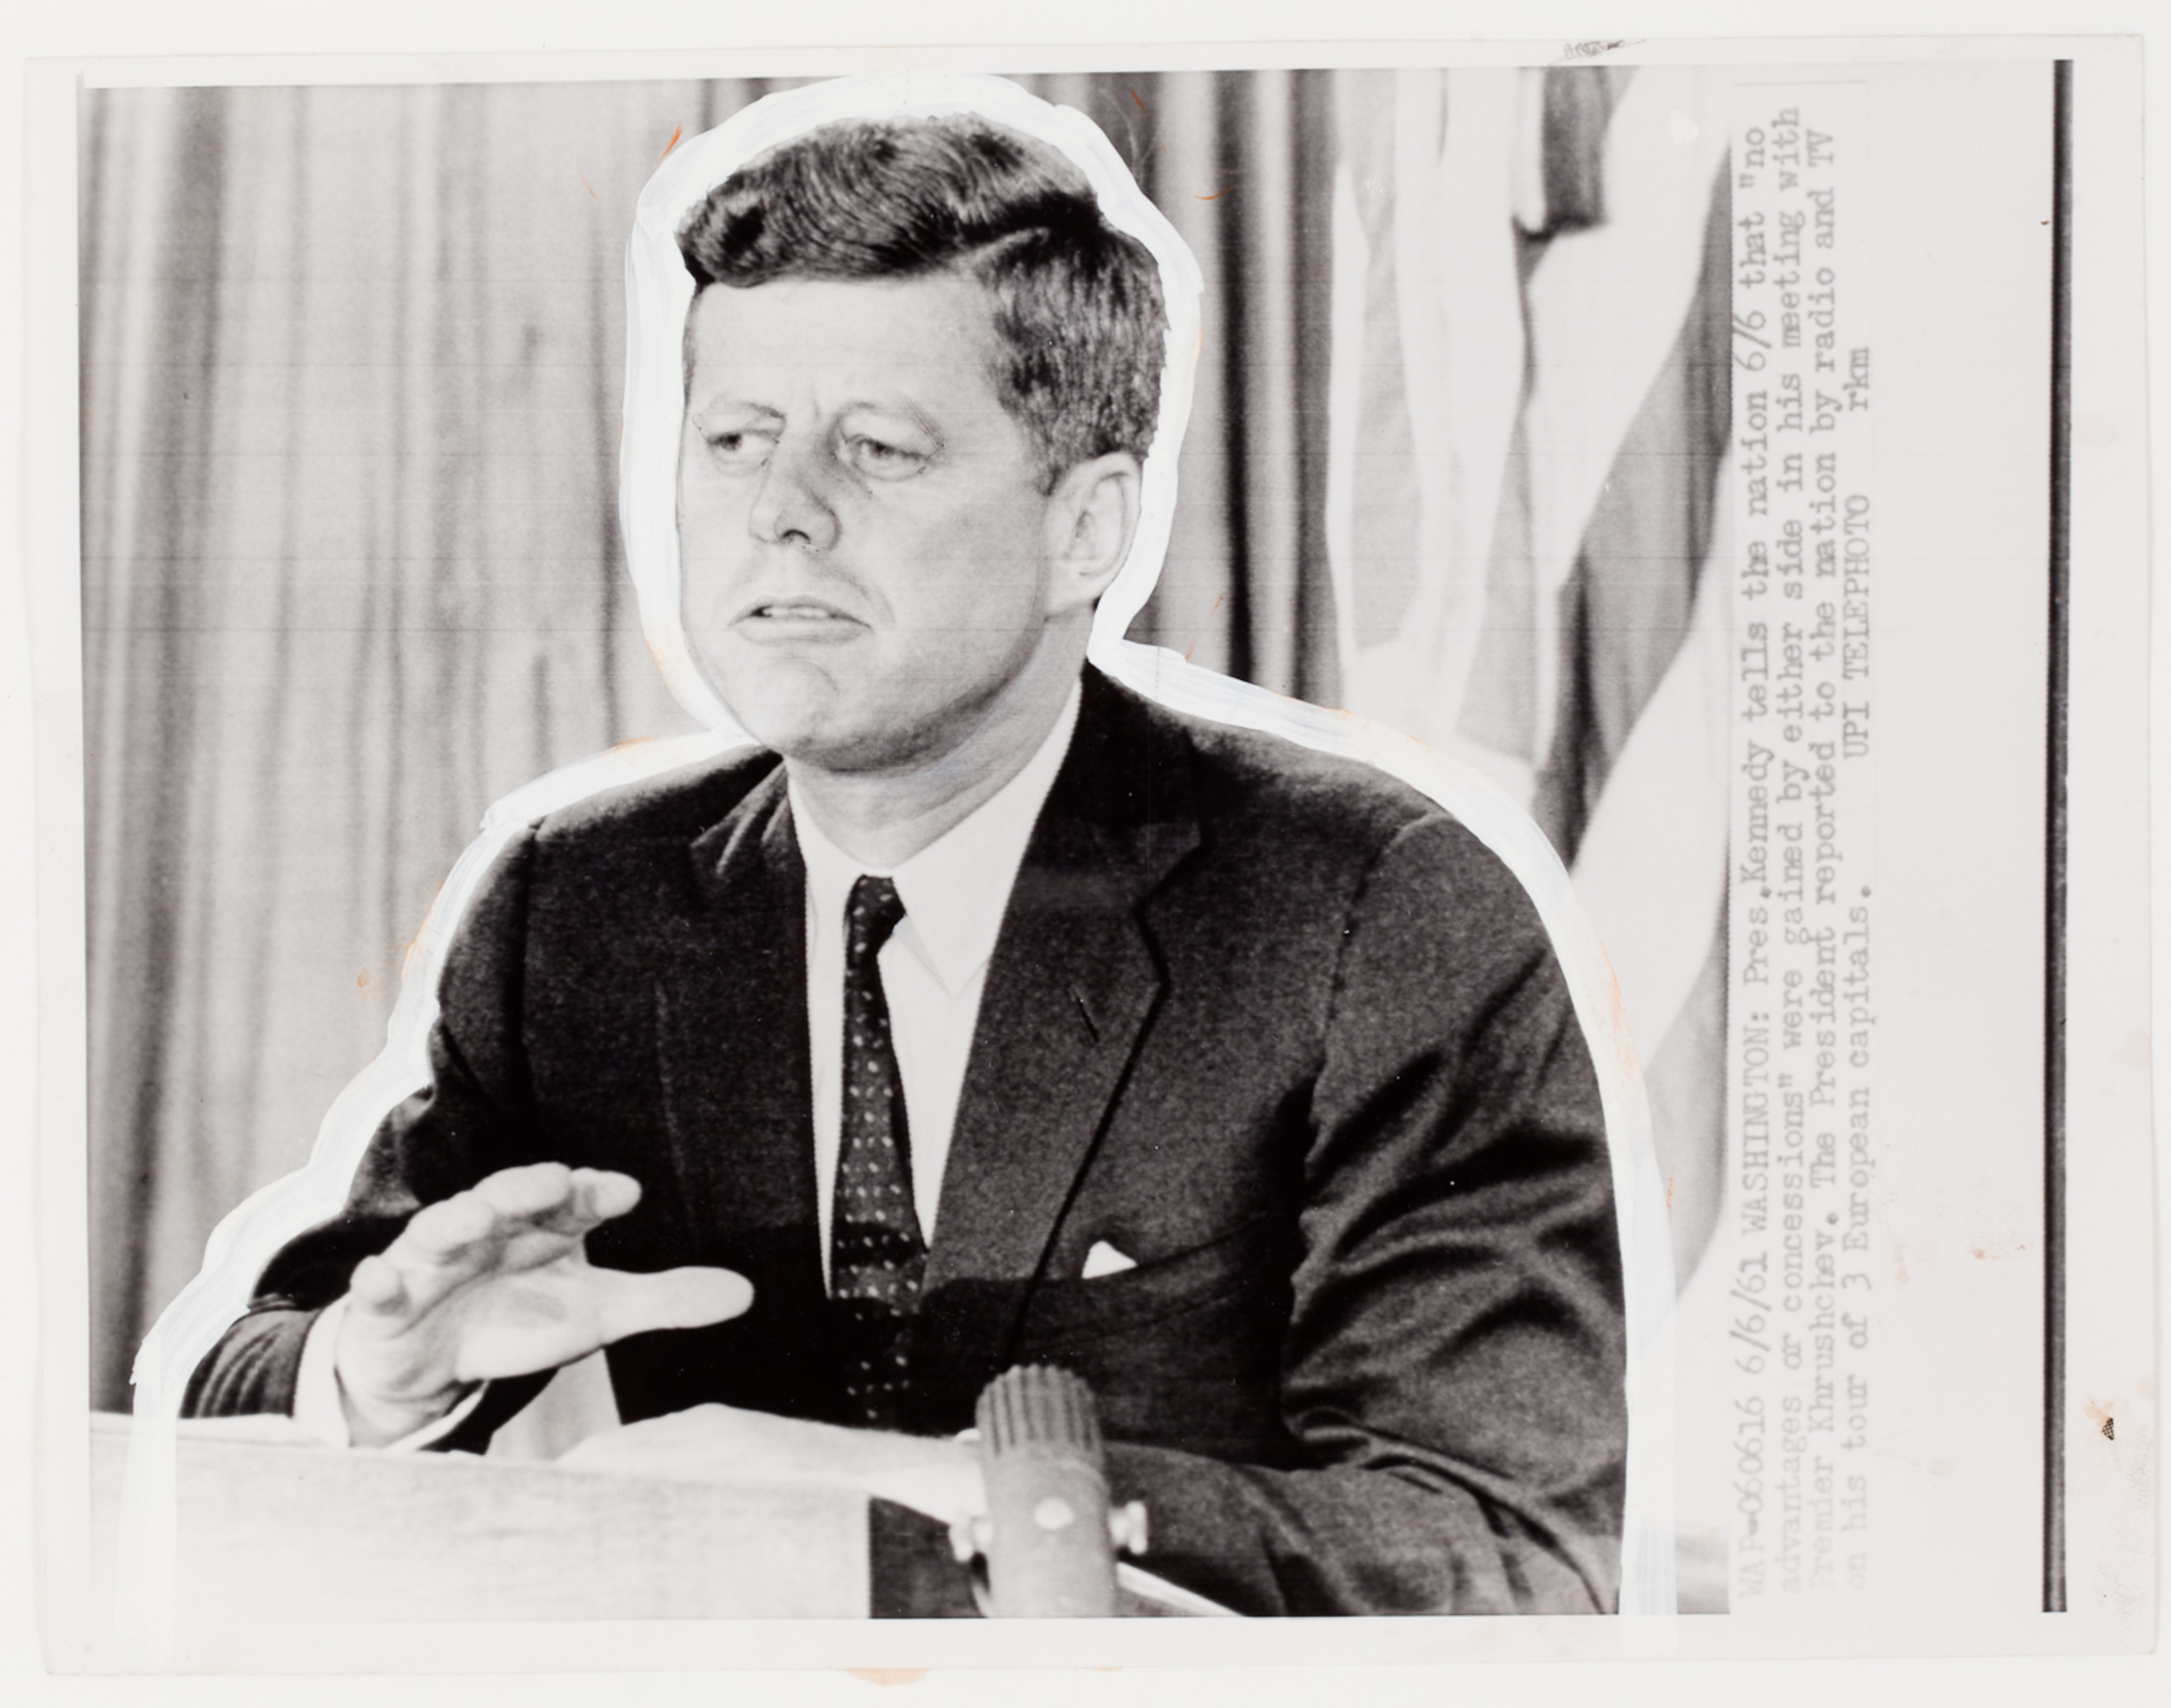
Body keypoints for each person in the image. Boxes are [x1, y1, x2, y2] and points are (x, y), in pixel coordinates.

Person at [183, 102, 1628, 1618]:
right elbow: (252, 1365)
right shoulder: (580, 903)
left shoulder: (1378, 909)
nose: (780, 515)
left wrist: (927, 1492)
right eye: (736, 441)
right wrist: (378, 1373)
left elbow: (1507, 1554)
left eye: (876, 449)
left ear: (1087, 530)